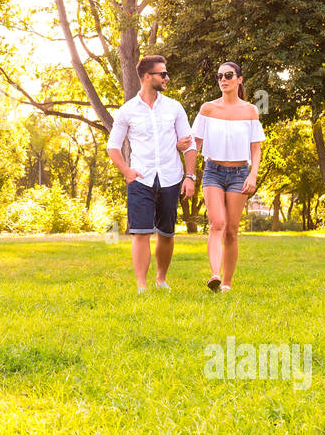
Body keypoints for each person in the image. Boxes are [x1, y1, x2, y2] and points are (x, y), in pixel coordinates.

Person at [106, 55, 197, 294]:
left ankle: (161, 279)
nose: (167, 78)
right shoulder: (127, 111)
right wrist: (126, 171)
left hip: (170, 177)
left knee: (166, 233)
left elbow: (189, 144)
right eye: (163, 74)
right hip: (141, 178)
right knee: (141, 233)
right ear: (148, 77)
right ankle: (141, 286)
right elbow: (112, 146)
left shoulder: (174, 107)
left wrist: (190, 177)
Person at [191, 61, 265, 292]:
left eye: (229, 75)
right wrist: (184, 155)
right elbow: (195, 142)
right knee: (217, 224)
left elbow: (256, 147)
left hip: (239, 173)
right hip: (213, 171)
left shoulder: (250, 111)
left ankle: (227, 283)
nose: (223, 79)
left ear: (239, 79)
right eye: (219, 75)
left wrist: (253, 175)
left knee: (232, 230)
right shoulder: (208, 109)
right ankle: (214, 274)